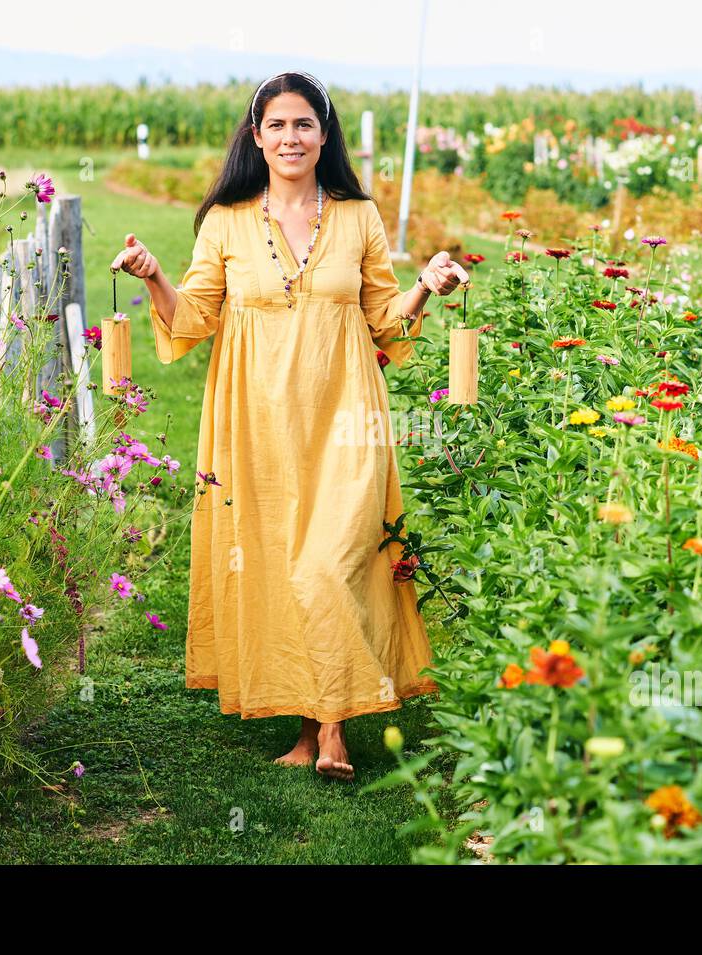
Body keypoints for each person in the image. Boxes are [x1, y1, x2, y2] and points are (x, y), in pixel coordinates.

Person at [111, 71, 468, 781]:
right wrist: (153, 275)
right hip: (257, 423)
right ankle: (310, 729)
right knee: (284, 569)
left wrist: (428, 283)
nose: (290, 137)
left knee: (328, 565)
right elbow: (195, 319)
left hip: (345, 417)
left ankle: (331, 729)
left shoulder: (360, 217)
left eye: (304, 124)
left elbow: (385, 321)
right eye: (276, 125)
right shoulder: (227, 221)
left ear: (325, 134)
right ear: (256, 136)